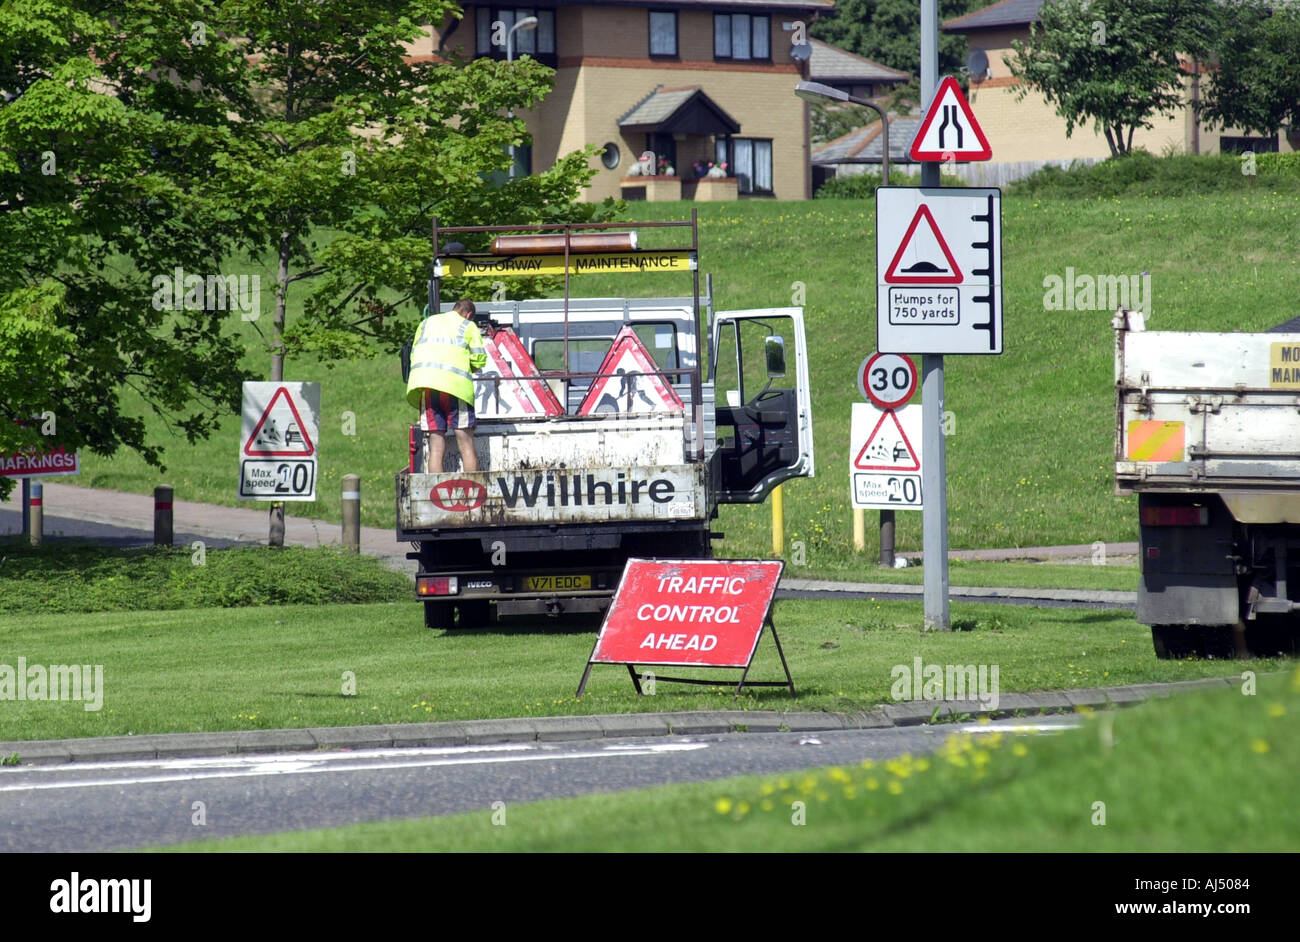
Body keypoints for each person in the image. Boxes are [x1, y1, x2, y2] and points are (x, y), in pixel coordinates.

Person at [405, 299, 488, 473]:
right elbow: (479, 360)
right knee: (465, 442)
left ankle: (438, 493)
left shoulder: (426, 323)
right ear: (469, 314)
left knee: (436, 445)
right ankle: (472, 490)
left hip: (427, 386)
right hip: (456, 388)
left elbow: (414, 354)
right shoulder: (467, 325)